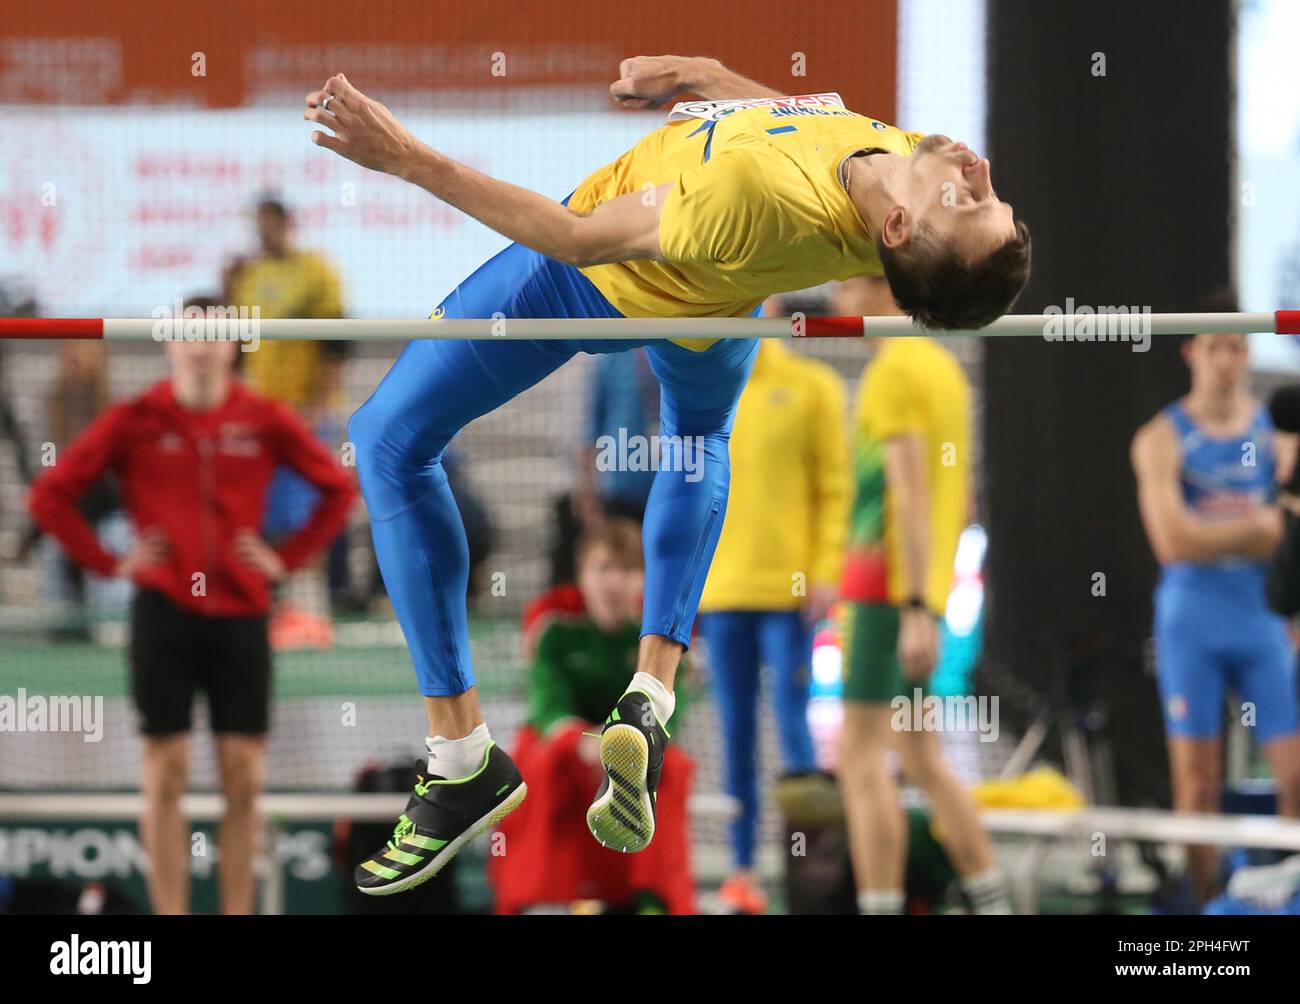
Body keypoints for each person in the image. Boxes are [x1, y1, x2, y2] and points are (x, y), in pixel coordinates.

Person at [300, 53, 1032, 894]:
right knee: (696, 438)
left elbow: (573, 240)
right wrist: (703, 74)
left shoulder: (750, 204)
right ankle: (651, 689)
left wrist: (406, 158)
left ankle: (462, 756)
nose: (977, 170)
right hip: (719, 313)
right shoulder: (899, 157)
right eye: (988, 190)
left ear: (900, 229)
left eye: (967, 199)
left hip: (613, 284)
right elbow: (798, 124)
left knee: (387, 440)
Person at [27, 315, 355, 914]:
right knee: (165, 773)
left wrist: (286, 558)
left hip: (242, 617)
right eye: (190, 334)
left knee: (244, 779)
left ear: (234, 345)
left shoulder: (265, 418)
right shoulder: (137, 418)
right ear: (169, 343)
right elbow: (49, 495)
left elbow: (338, 489)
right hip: (163, 615)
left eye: (215, 335)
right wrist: (110, 563)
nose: (202, 348)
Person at [834, 275, 1012, 915]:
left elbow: (911, 494)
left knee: (860, 758)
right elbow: (958, 500)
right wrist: (929, 599)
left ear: (881, 288)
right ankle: (993, 902)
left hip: (886, 593)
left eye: (844, 284)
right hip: (917, 592)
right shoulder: (942, 368)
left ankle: (879, 905)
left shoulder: (891, 372)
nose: (834, 299)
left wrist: (911, 607)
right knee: (923, 758)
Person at [1132, 305, 1300, 906]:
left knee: (1295, 776)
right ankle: (1205, 913)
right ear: (1192, 353)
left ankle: (1288, 900)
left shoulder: (1276, 434)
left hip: (1261, 617)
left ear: (1248, 354)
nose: (1226, 360)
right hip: (1191, 622)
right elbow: (1172, 542)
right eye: (1215, 347)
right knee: (1196, 786)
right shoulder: (1159, 438)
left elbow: (1289, 532)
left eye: (1237, 347)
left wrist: (1232, 532)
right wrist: (1260, 526)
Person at [696, 296, 851, 913]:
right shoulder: (706, 386)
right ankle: (742, 872)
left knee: (794, 737)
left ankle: (809, 874)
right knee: (734, 738)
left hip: (789, 598)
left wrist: (825, 571)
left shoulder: (814, 387)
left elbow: (835, 488)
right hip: (723, 597)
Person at [490, 519, 694, 914]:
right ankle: (540, 900)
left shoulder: (663, 641)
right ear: (582, 576)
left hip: (635, 754)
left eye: (627, 570)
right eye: (604, 569)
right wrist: (592, 744)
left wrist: (625, 749)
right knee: (539, 762)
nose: (614, 583)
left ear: (643, 580)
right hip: (568, 751)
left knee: (675, 768)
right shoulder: (555, 633)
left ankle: (653, 899)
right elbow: (549, 710)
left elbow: (669, 714)